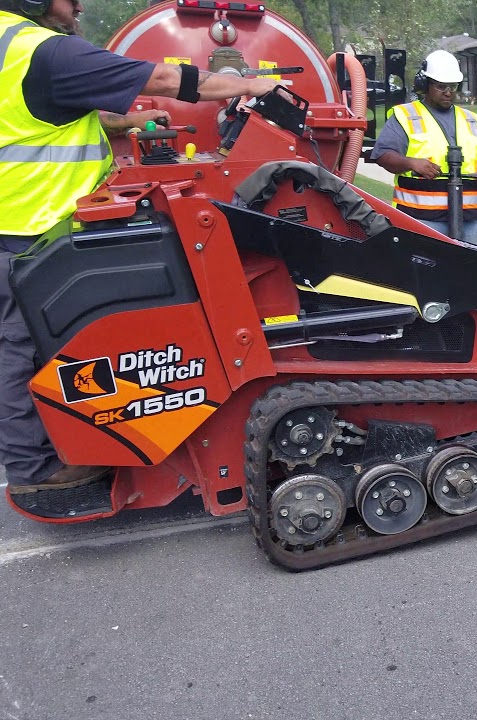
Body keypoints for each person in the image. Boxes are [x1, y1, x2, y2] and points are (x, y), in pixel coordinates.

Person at [1, 0, 277, 495]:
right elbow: (168, 80)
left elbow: (35, 121)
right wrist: (251, 84)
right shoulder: (41, 51)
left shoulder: (7, 49)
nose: (78, 4)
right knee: (20, 350)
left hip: (13, 221)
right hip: (31, 228)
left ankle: (69, 437)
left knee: (29, 346)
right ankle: (36, 469)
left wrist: (124, 125)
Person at [371, 50, 477, 247]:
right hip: (422, 218)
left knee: (473, 274)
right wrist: (412, 163)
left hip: (471, 220)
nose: (448, 92)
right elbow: (382, 155)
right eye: (441, 86)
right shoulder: (406, 116)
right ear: (424, 84)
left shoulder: (471, 119)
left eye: (453, 86)